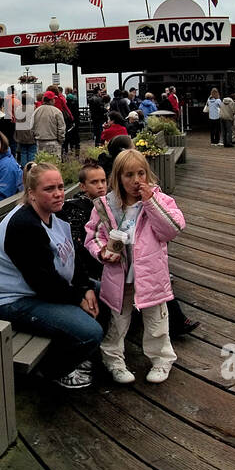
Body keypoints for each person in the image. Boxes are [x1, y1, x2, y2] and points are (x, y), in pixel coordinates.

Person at [0, 161, 106, 390]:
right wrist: (79, 298)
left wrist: (85, 288)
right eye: (49, 189)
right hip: (14, 301)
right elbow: (44, 283)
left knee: (107, 292)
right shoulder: (24, 225)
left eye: (60, 187)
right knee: (90, 333)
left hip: (43, 290)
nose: (58, 194)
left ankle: (86, 354)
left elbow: (74, 257)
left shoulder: (54, 215)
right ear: (31, 194)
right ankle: (51, 372)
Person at [86, 147, 186, 384]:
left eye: (141, 173)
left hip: (151, 275)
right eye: (129, 175)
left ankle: (162, 360)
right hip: (118, 276)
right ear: (118, 178)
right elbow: (94, 235)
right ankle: (113, 360)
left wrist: (150, 202)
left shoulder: (160, 200)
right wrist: (103, 252)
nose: (136, 180)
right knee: (118, 321)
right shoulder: (105, 205)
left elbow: (172, 229)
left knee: (157, 320)